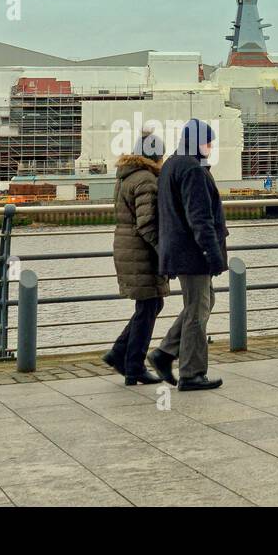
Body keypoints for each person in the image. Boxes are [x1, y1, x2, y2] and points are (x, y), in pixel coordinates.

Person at [148, 118, 227, 391]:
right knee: (197, 312)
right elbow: (200, 217)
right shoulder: (192, 169)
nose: (211, 145)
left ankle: (165, 352)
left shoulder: (171, 164)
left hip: (178, 249)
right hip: (193, 253)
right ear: (196, 142)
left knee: (204, 302)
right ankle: (191, 373)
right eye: (208, 141)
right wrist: (212, 254)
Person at [102, 132, 168, 385]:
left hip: (126, 247)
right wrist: (163, 252)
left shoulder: (125, 176)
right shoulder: (146, 180)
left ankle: (120, 354)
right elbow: (147, 222)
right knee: (150, 305)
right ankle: (133, 364)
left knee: (149, 305)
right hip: (141, 252)